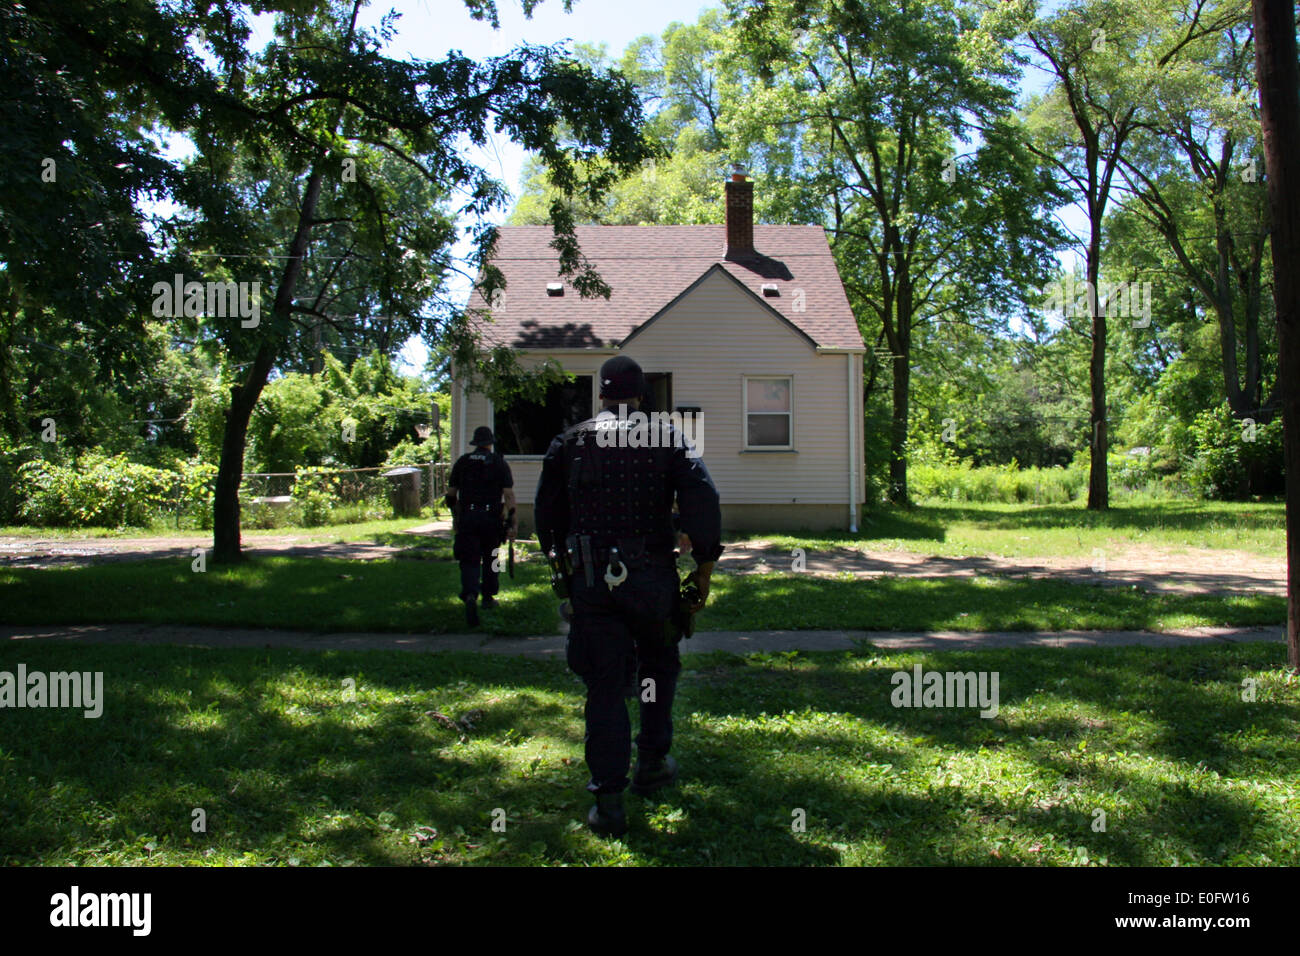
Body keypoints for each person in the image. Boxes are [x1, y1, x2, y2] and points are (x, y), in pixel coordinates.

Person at [535, 356, 722, 837]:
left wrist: (566, 574)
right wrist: (703, 565)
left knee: (604, 685)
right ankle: (652, 762)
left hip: (593, 582)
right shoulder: (667, 437)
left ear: (601, 395)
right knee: (657, 669)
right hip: (651, 580)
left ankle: (610, 802)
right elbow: (703, 498)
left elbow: (547, 518)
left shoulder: (569, 442)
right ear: (641, 395)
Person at [447, 426, 516, 628]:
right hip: (491, 518)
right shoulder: (499, 463)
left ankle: (470, 594)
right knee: (492, 557)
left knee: (469, 559)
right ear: (490, 443)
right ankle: (488, 596)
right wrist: (512, 520)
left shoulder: (462, 462)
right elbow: (509, 495)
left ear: (475, 444)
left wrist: (456, 517)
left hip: (468, 517)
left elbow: (451, 495)